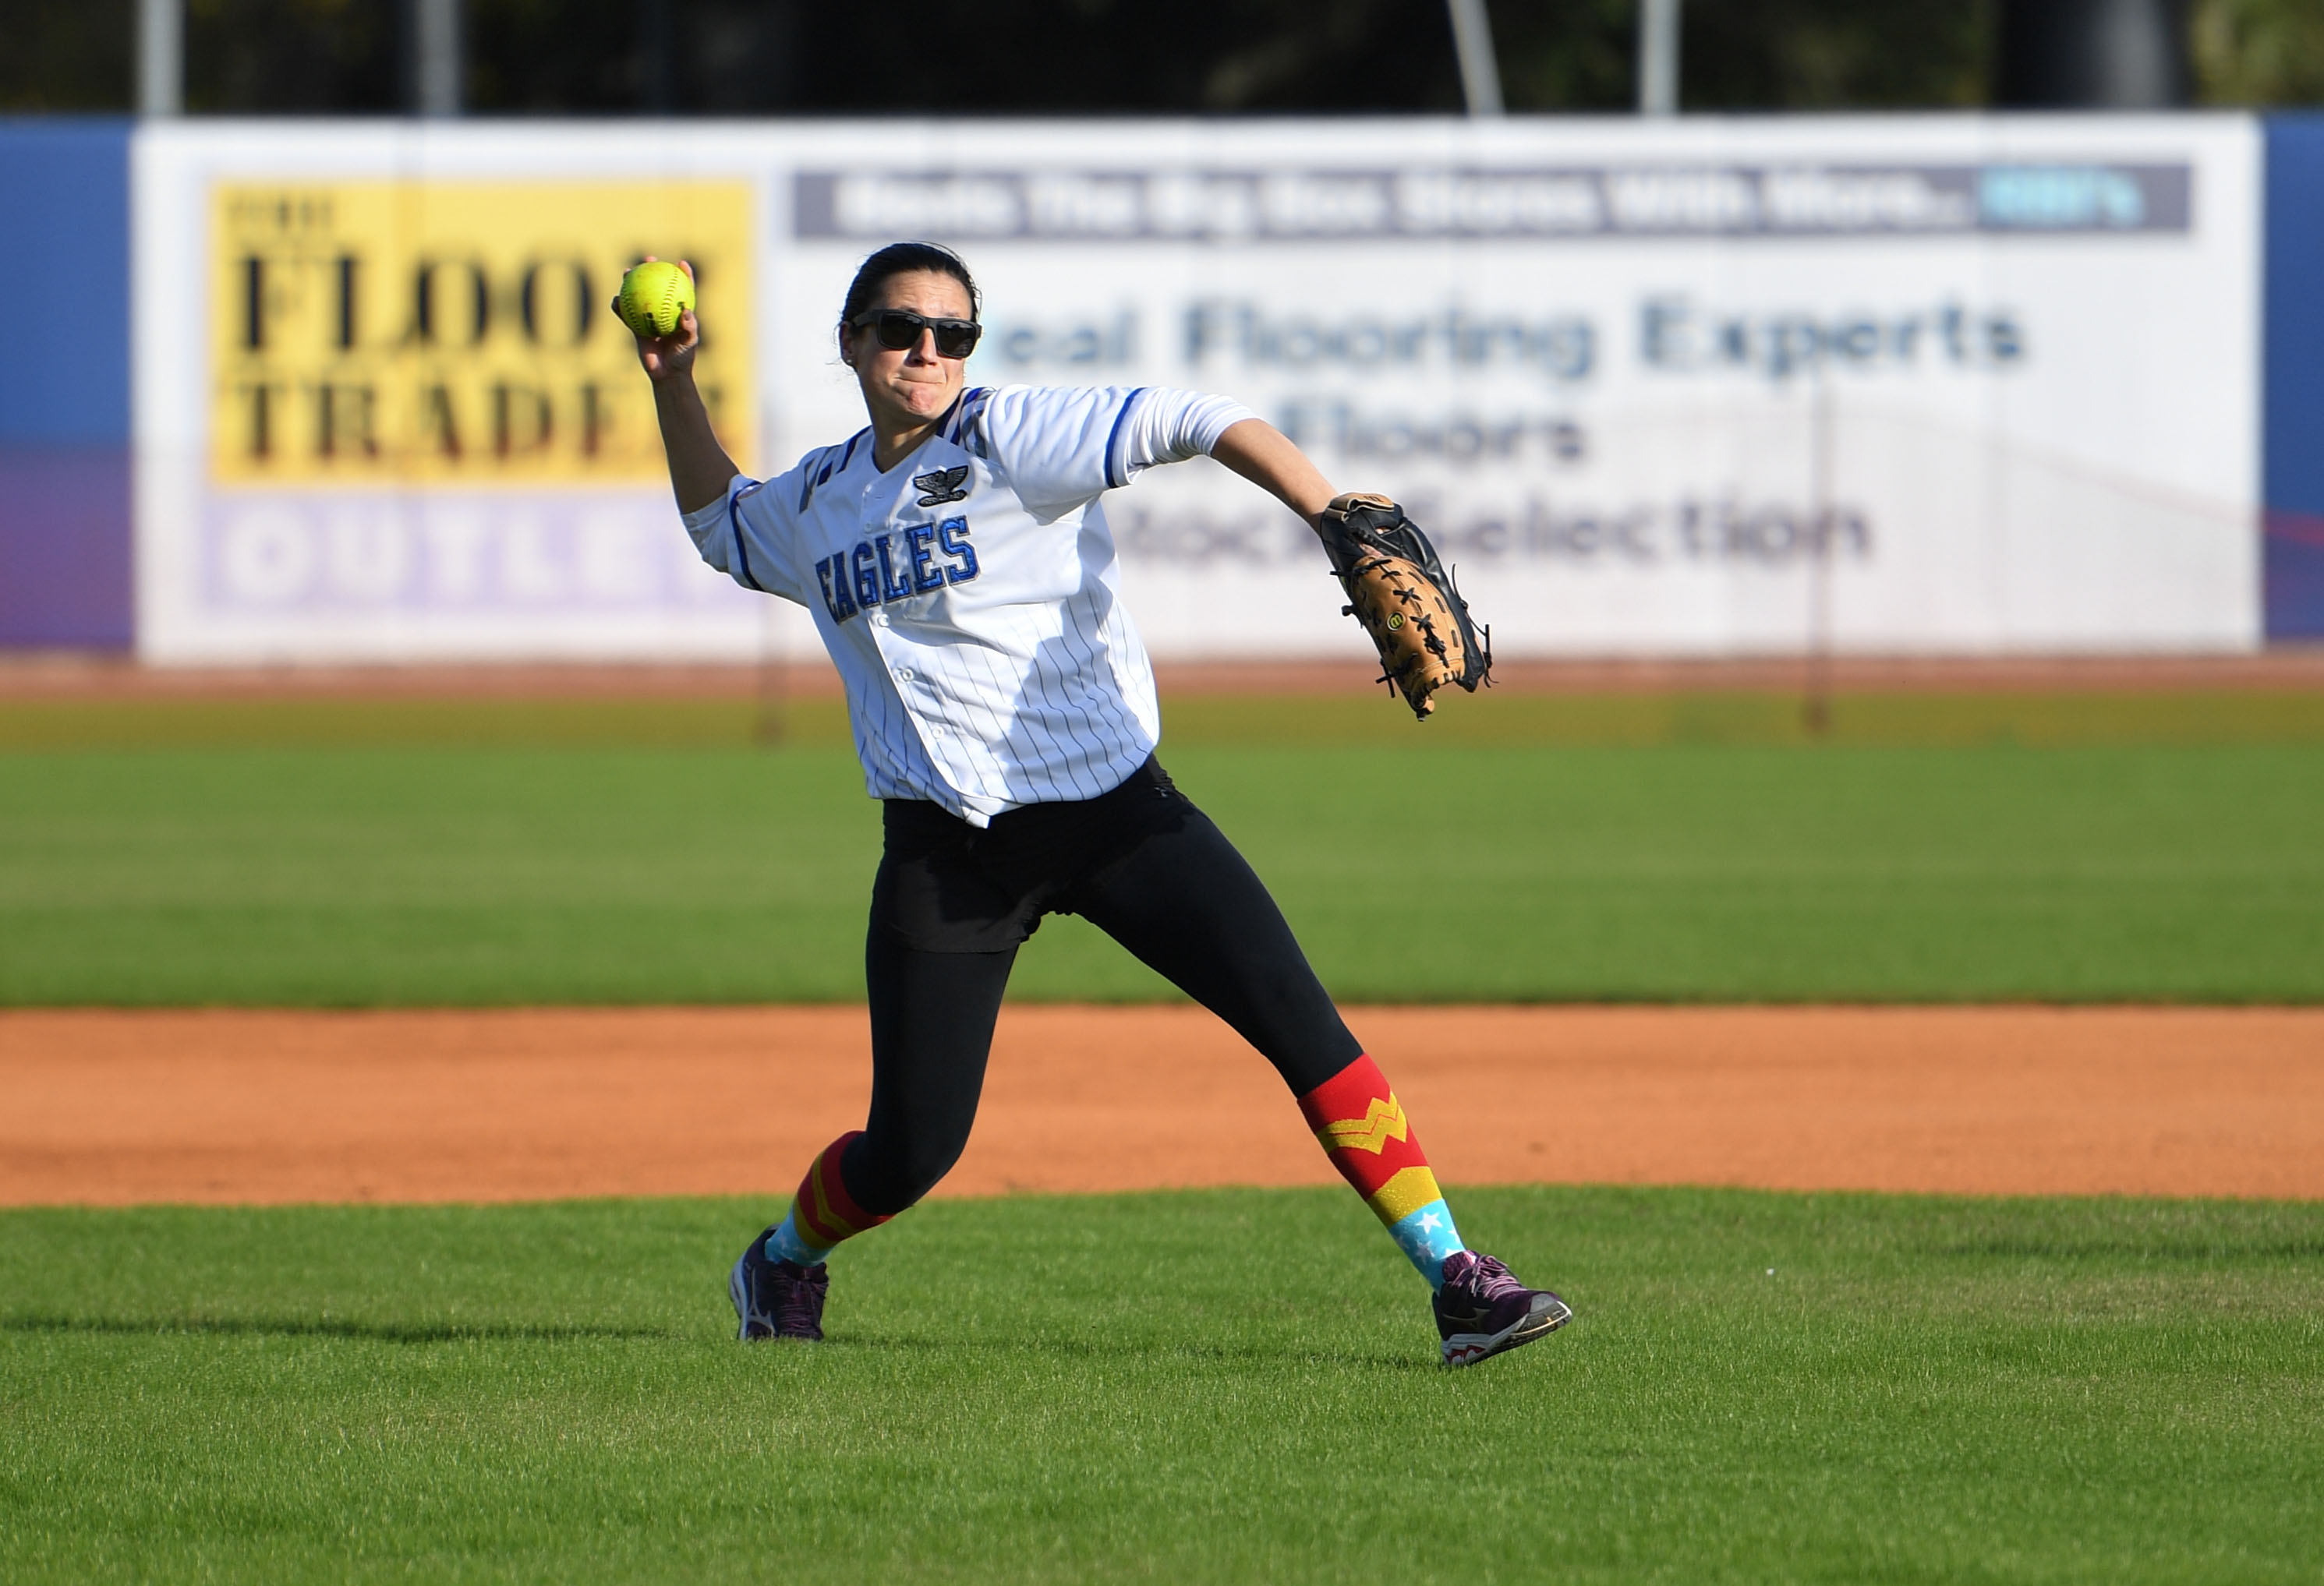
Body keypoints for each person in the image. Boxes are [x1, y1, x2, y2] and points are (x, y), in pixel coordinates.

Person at [628, 240, 1570, 1367]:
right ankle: (781, 1260)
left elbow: (1200, 417)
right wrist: (673, 382)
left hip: (1119, 816)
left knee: (1298, 1022)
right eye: (899, 329)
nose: (926, 352)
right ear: (851, 342)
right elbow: (720, 526)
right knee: (913, 1150)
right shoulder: (820, 502)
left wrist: (1328, 514)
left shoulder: (1012, 437)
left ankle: (1460, 1283)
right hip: (947, 852)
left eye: (952, 333)